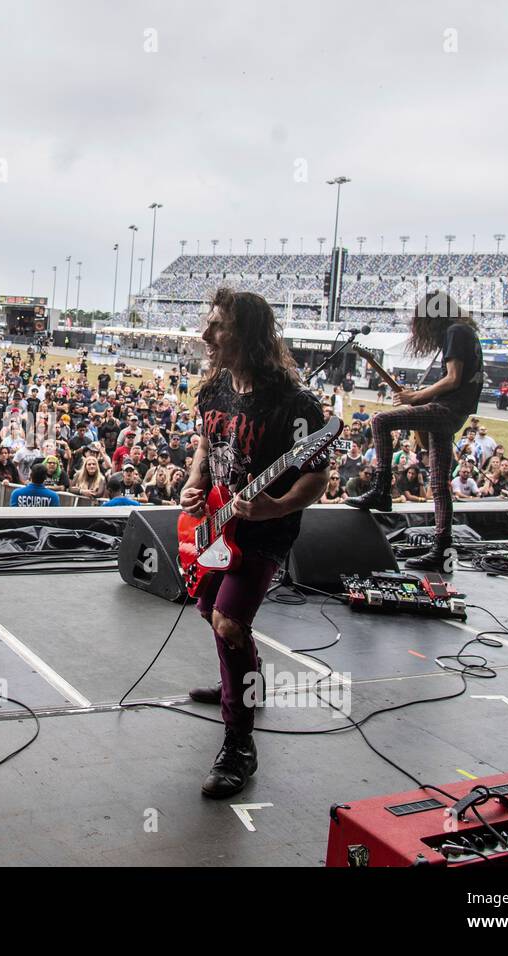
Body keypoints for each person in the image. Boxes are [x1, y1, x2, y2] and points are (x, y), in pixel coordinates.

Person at [178, 288, 329, 800]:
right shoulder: (215, 388)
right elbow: (206, 442)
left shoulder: (294, 404)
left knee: (229, 620)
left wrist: (276, 507)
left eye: (217, 326)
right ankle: (242, 682)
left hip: (263, 533)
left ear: (246, 335)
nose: (206, 335)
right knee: (207, 609)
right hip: (219, 524)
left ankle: (240, 744)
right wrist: (195, 482)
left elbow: (316, 477)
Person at [346, 292, 482, 572]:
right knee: (440, 485)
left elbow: (453, 379)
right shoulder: (464, 331)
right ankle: (442, 548)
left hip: (448, 409)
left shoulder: (456, 331)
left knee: (381, 421)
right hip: (456, 412)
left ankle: (381, 489)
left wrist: (416, 396)